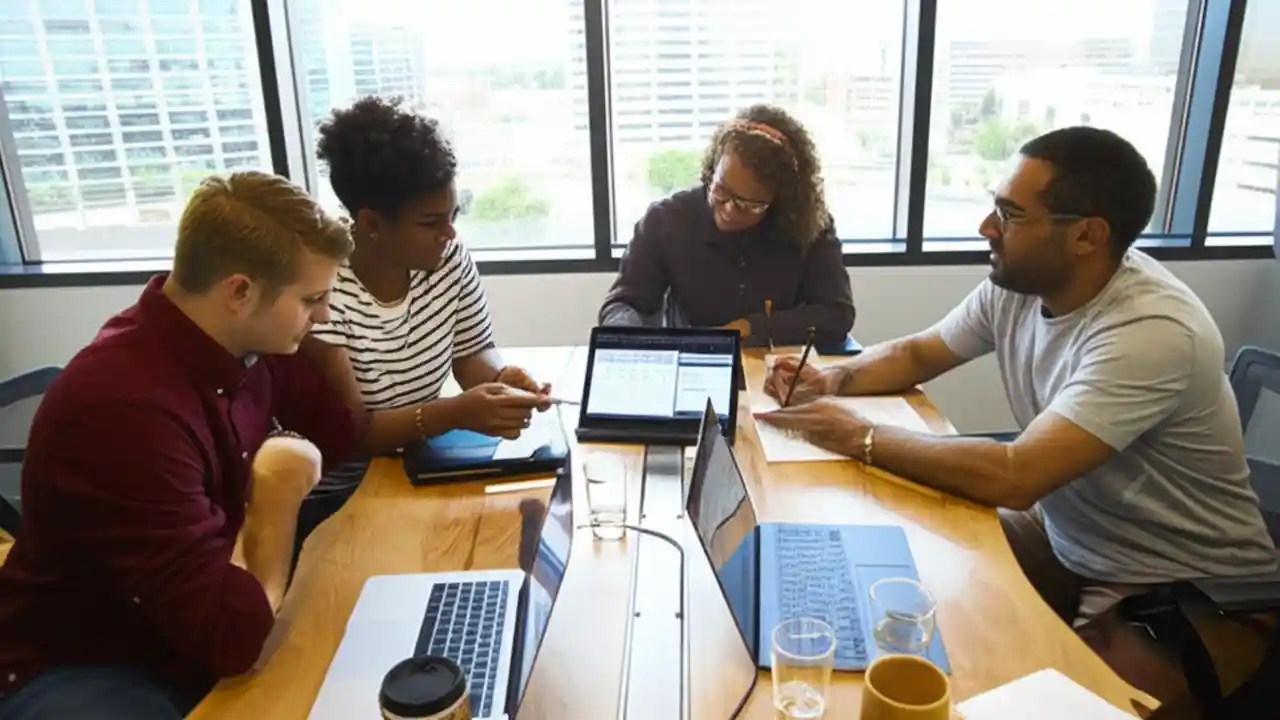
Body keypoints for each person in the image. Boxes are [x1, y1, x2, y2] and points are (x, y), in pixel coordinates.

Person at [759, 127, 1277, 711]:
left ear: (1086, 234)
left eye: (1008, 214)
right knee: (911, 555)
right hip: (1069, 534)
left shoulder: (1152, 331)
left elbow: (1016, 474)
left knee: (1025, 692)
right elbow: (919, 353)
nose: (986, 227)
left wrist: (861, 436)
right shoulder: (1022, 285)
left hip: (1179, 585)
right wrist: (833, 380)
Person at [0, 172, 360, 719]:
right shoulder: (121, 411)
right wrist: (277, 493)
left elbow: (337, 436)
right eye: (313, 298)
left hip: (190, 620)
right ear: (239, 292)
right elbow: (231, 639)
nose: (326, 314)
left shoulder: (241, 342)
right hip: (85, 663)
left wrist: (318, 347)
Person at [294, 96, 549, 551]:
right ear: (371, 224)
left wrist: (498, 379)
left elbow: (471, 350)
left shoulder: (446, 257)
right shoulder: (322, 286)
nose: (449, 233)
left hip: (420, 468)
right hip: (343, 496)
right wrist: (457, 412)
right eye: (431, 222)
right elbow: (357, 434)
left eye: (453, 215)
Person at [599, 104, 854, 347]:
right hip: (694, 367)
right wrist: (624, 332)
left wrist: (752, 327)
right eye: (721, 190)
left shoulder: (808, 224)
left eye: (749, 205)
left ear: (781, 200)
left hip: (780, 372)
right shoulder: (666, 221)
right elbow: (625, 302)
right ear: (713, 168)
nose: (729, 209)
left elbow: (836, 314)